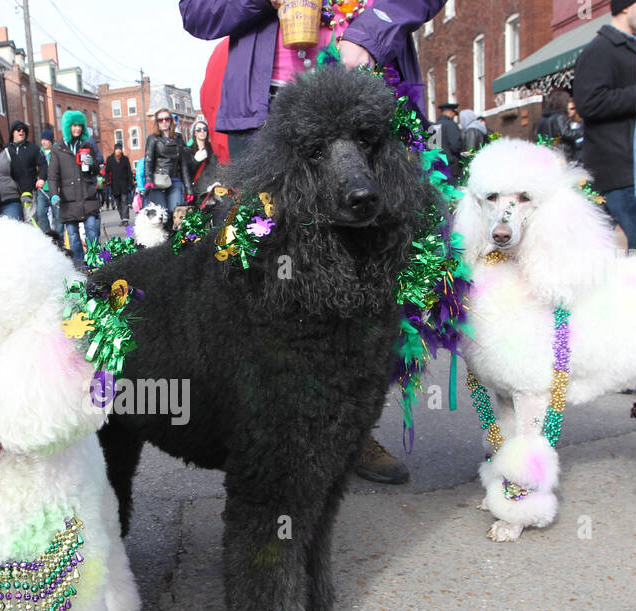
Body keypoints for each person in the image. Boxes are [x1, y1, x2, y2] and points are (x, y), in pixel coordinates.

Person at [178, 0, 442, 486]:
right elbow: (198, 13)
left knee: (375, 273)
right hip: (265, 114)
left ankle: (352, 427)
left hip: (371, 97)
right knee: (272, 282)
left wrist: (373, 29)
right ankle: (277, 424)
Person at [180, 0, 446, 159]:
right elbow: (198, 11)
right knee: (273, 244)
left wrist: (372, 35)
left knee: (389, 236)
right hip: (265, 110)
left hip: (374, 90)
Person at [573, 0, 636, 250]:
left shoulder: (635, 47)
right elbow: (589, 103)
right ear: (626, 7)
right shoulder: (600, 49)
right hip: (623, 170)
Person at [48, 110, 102, 264]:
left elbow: (96, 170)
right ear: (67, 127)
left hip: (87, 195)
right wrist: (54, 194)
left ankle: (93, 262)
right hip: (68, 198)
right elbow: (52, 175)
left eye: (79, 125)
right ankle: (78, 265)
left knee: (92, 230)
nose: (77, 129)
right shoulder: (58, 149)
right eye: (74, 125)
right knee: (72, 235)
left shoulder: (87, 145)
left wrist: (92, 164)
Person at [144, 107, 190, 215]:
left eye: (167, 119)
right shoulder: (153, 138)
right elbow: (148, 161)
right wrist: (148, 180)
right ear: (157, 123)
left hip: (175, 180)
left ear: (171, 121)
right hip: (159, 181)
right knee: (161, 214)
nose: (164, 122)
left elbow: (183, 165)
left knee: (177, 215)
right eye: (160, 120)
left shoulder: (178, 138)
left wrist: (188, 187)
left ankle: (174, 232)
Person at [7, 119, 47, 222]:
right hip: (11, 193)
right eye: (18, 129)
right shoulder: (6, 149)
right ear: (12, 132)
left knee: (30, 220)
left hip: (29, 191)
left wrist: (42, 178)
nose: (21, 132)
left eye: (24, 130)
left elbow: (43, 164)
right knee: (15, 221)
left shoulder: (33, 148)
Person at [183, 118, 221, 204]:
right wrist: (196, 161)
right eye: (198, 130)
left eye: (205, 129)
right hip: (198, 192)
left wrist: (218, 183)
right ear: (194, 133)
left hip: (212, 190)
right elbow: (187, 172)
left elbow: (218, 168)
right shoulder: (188, 150)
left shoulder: (213, 149)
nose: (202, 131)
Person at [36, 127, 61, 233]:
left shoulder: (57, 151)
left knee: (58, 215)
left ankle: (60, 238)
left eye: (46, 140)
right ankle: (47, 235)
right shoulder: (38, 152)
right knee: (41, 212)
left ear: (51, 140)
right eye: (42, 140)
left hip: (55, 188)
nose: (43, 142)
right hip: (42, 189)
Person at [535, 89, 572, 153]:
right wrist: (581, 132)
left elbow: (537, 137)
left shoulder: (543, 118)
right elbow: (566, 133)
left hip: (546, 152)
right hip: (561, 151)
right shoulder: (560, 116)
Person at [106, 142, 135, 223]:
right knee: (118, 202)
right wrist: (107, 180)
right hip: (115, 185)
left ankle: (125, 219)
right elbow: (107, 171)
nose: (118, 151)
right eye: (117, 149)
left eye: (120, 149)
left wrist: (130, 183)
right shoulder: (110, 159)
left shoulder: (125, 159)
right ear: (114, 150)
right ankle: (122, 217)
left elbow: (129, 172)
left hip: (124, 184)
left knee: (124, 201)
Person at [435, 103, 464, 177]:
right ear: (450, 112)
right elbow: (455, 145)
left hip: (435, 163)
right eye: (454, 114)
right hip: (450, 164)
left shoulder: (433, 125)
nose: (454, 116)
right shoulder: (450, 124)